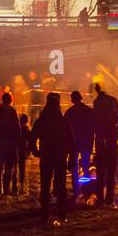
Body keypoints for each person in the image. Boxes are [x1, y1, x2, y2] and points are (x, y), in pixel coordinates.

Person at [30, 92, 73, 225]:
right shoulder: (63, 120)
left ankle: (45, 215)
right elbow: (71, 140)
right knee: (61, 187)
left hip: (47, 156)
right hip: (60, 156)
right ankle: (62, 214)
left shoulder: (42, 120)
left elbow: (32, 137)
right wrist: (70, 157)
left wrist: (35, 151)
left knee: (45, 186)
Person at [91, 83, 118, 207]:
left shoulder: (97, 102)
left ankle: (100, 199)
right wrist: (115, 127)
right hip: (110, 140)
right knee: (111, 171)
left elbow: (94, 121)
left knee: (100, 171)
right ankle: (109, 199)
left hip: (101, 141)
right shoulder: (112, 101)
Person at [63, 90, 95, 199]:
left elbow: (65, 129)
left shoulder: (70, 112)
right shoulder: (89, 111)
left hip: (74, 143)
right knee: (86, 166)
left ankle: (76, 190)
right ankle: (87, 190)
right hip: (86, 142)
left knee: (74, 167)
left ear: (72, 99)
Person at [0, 91, 21, 196]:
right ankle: (6, 189)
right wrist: (17, 139)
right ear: (10, 99)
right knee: (9, 167)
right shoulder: (12, 110)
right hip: (10, 142)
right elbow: (17, 127)